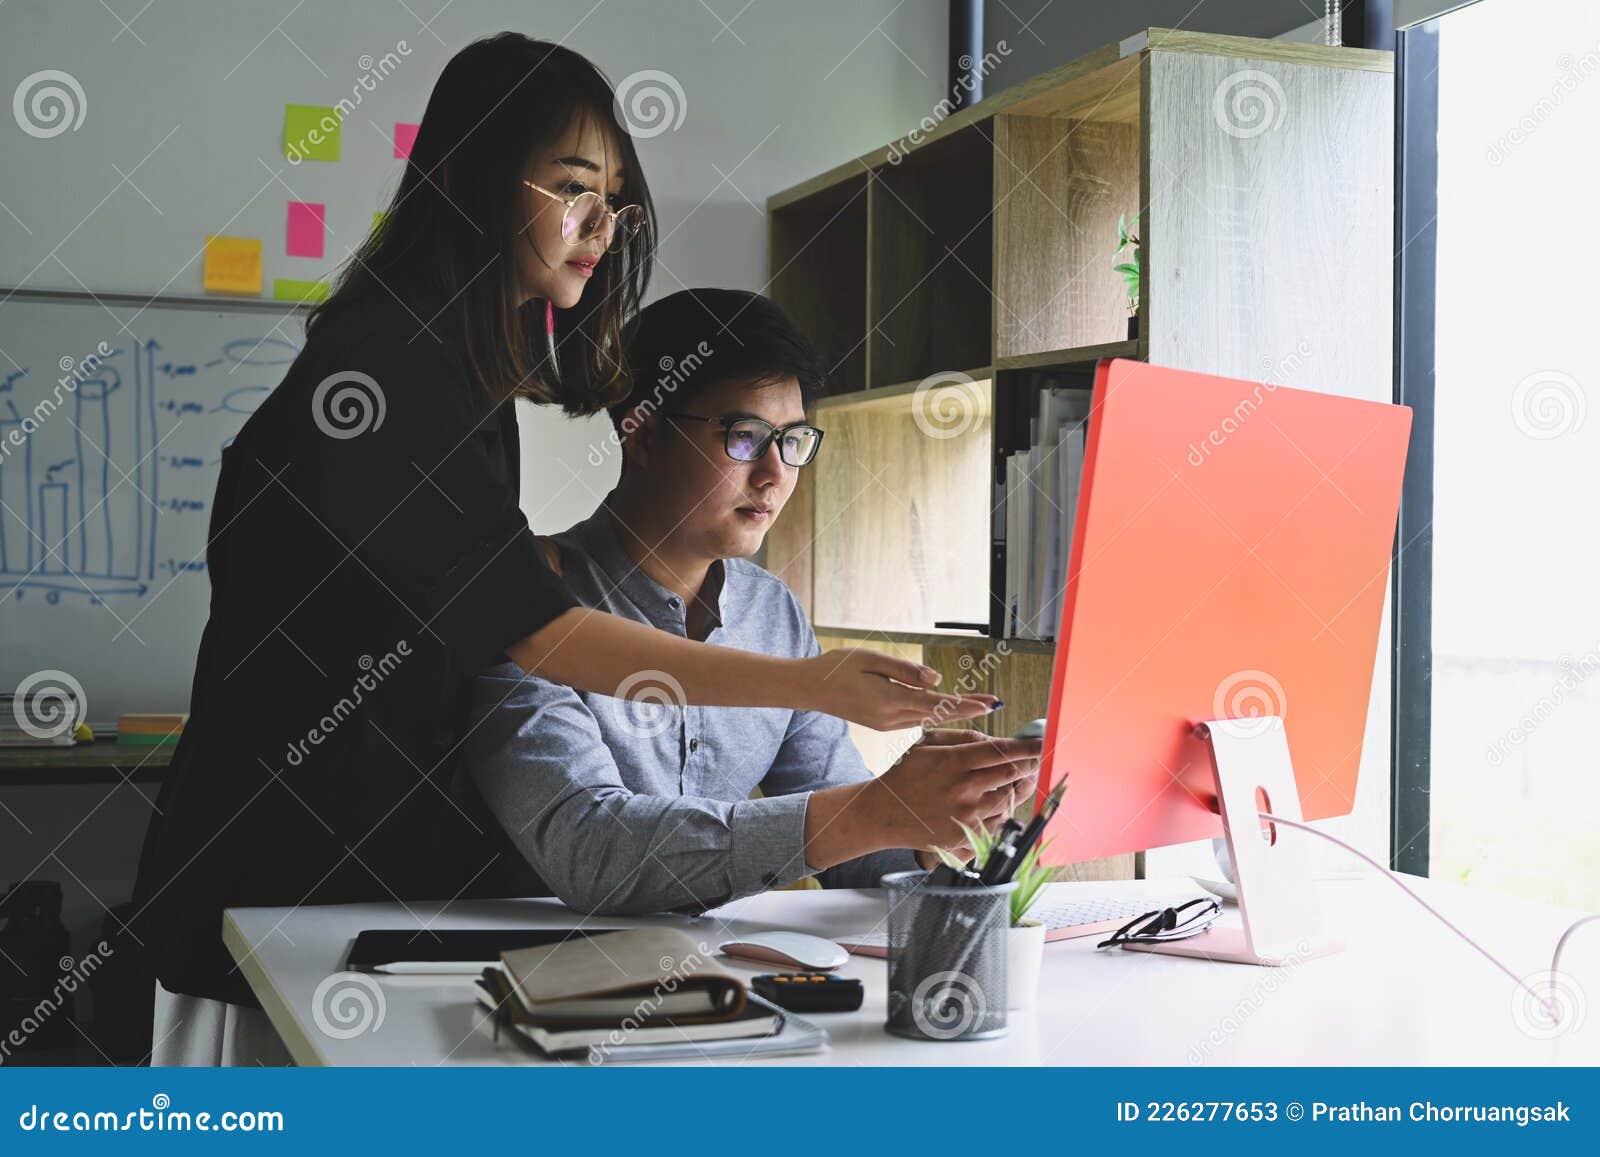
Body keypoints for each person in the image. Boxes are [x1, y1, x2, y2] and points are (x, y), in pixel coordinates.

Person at [132, 35, 994, 1061]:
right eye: (574, 188)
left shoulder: (458, 374)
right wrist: (813, 681)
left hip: (379, 910)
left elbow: (466, 593)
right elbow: (539, 638)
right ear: (472, 179)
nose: (602, 228)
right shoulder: (387, 372)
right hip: (278, 897)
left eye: (614, 199)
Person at [458, 289, 1040, 914]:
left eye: (792, 441)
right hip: (527, 972)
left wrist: (929, 829)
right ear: (644, 434)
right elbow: (594, 852)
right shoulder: (530, 608)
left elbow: (856, 846)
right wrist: (873, 813)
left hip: (725, 976)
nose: (773, 474)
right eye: (744, 437)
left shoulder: (776, 617)